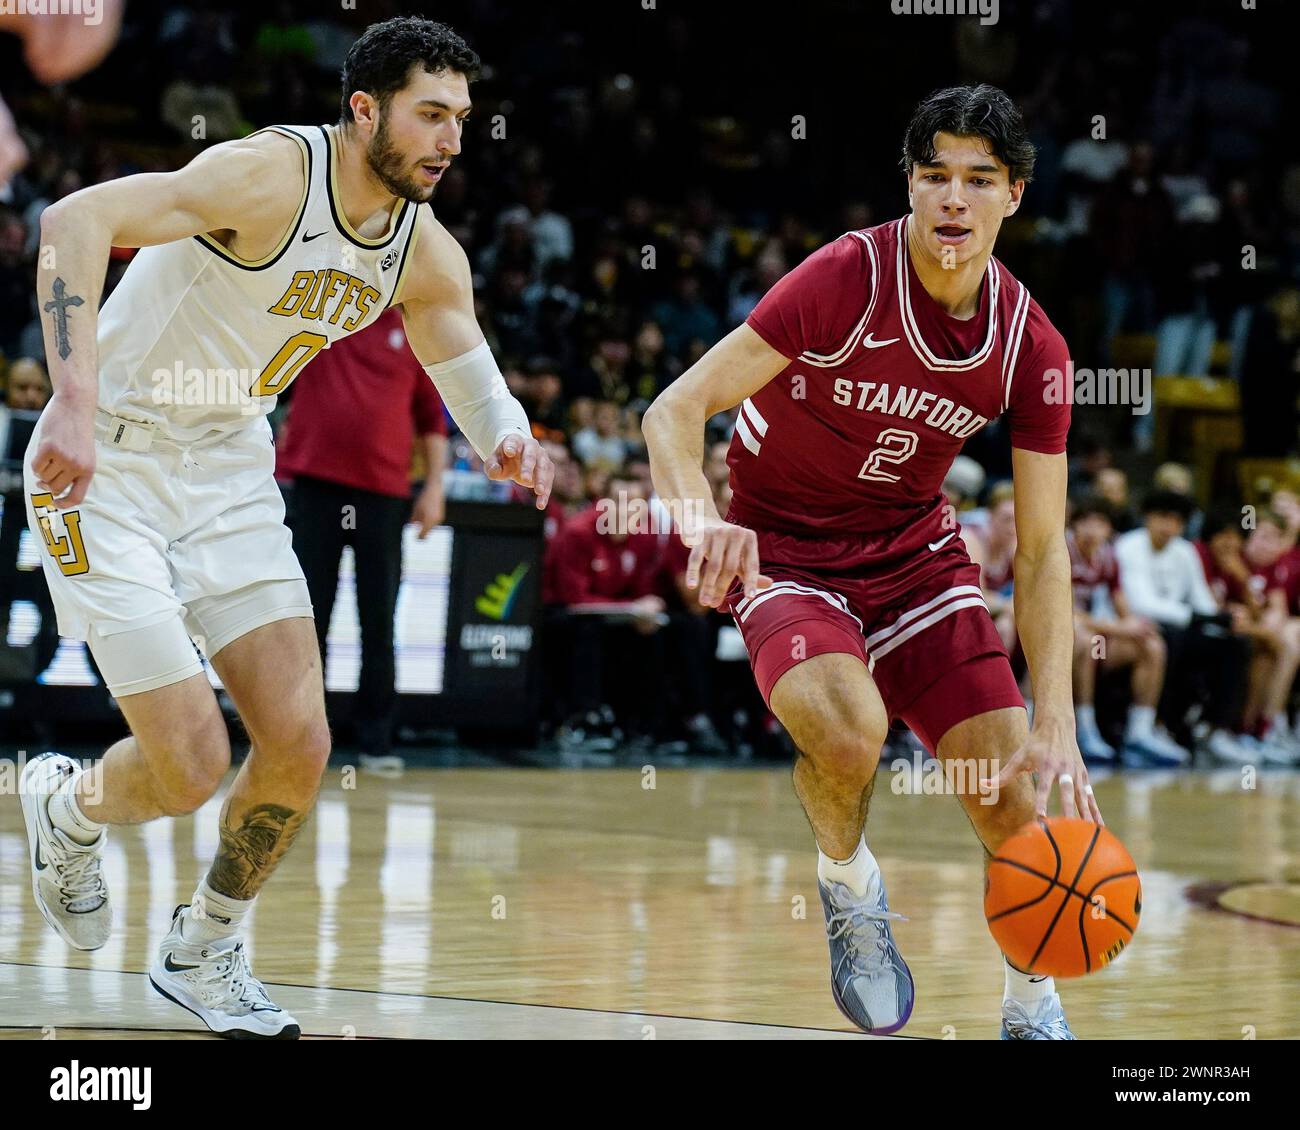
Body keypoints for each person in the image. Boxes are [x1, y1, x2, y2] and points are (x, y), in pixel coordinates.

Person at [18, 17, 552, 1039]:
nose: (450, 138)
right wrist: (71, 396)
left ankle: (204, 946)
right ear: (364, 110)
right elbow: (74, 219)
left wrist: (506, 432)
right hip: (106, 460)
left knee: (300, 739)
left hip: (226, 469)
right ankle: (71, 810)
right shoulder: (268, 176)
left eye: (462, 120)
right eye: (430, 114)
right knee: (188, 762)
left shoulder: (422, 246)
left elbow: (454, 339)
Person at [644, 85, 1093, 1039]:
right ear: (911, 183)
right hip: (788, 549)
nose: (953, 202)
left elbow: (1046, 547)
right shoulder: (845, 277)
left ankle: (1031, 1005)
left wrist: (1055, 714)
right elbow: (672, 410)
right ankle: (850, 888)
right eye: (935, 176)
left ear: (1014, 195)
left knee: (1011, 793)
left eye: (979, 180)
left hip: (916, 556)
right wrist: (700, 521)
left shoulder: (1032, 344)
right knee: (849, 737)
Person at [275, 306, 447, 768]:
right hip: (315, 486)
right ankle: (303, 741)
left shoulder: (414, 331)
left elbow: (433, 421)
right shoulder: (321, 312)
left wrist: (433, 488)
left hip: (384, 495)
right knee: (309, 618)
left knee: (378, 618)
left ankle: (376, 740)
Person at [1115, 491, 1251, 762]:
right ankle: (1155, 726)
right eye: (1163, 518)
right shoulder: (1128, 546)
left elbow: (1201, 600)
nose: (1170, 527)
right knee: (1172, 638)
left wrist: (1223, 618)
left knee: (1235, 644)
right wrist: (1197, 618)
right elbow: (1141, 603)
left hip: (1180, 626)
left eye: (1177, 521)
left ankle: (1214, 730)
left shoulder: (1184, 551)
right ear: (1147, 517)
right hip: (1137, 627)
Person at [1067, 498, 1189, 766]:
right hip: (1059, 635)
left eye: (1100, 523)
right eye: (1086, 521)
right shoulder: (1062, 550)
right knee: (1086, 640)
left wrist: (1135, 626)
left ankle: (1140, 732)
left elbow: (1121, 603)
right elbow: (1060, 612)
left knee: (1151, 644)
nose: (1092, 529)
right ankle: (1084, 729)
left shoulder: (1107, 556)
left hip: (1094, 633)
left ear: (1109, 529)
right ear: (1074, 524)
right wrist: (1118, 627)